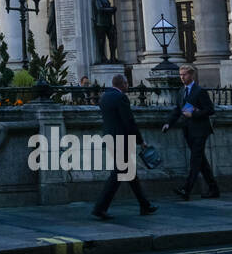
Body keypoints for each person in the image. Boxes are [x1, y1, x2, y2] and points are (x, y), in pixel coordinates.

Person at [91, 74, 156, 220]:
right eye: (127, 83)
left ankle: (145, 205)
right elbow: (129, 121)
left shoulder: (105, 97)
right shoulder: (121, 98)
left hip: (110, 139)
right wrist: (140, 141)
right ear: (123, 84)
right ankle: (99, 208)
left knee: (130, 173)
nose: (128, 86)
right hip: (122, 140)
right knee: (117, 175)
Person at [162, 63, 220, 200]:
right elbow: (178, 109)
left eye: (184, 75)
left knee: (195, 160)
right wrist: (168, 123)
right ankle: (214, 189)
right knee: (201, 161)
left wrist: (194, 114)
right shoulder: (181, 91)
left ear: (191, 75)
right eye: (180, 75)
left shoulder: (199, 91)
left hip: (200, 130)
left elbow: (210, 110)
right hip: (188, 130)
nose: (182, 77)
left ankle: (186, 189)